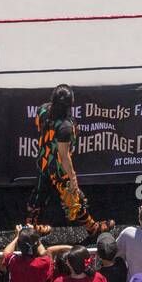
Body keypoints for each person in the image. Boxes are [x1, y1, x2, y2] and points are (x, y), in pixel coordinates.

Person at [21, 84, 115, 237]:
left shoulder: (43, 109)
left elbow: (40, 127)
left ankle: (30, 227)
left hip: (43, 160)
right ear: (71, 103)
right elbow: (64, 156)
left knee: (39, 194)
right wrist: (73, 178)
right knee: (74, 198)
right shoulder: (65, 126)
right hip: (57, 168)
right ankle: (93, 228)